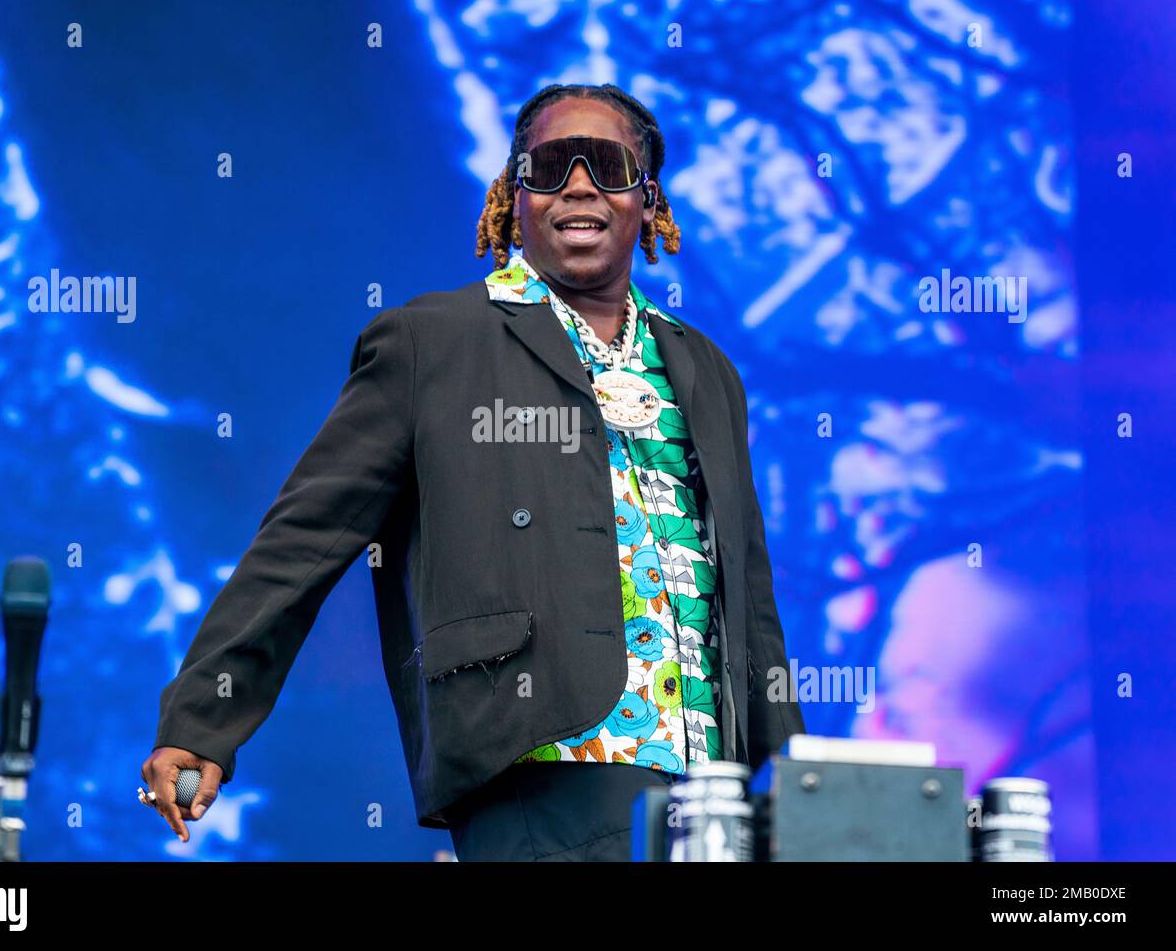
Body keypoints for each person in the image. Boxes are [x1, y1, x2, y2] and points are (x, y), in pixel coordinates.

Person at [141, 82, 805, 861]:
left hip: (711, 790)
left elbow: (749, 595)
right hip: (540, 753)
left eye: (610, 167)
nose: (581, 185)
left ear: (648, 202)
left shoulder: (703, 367)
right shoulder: (434, 342)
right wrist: (201, 720)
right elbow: (303, 541)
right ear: (512, 195)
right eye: (552, 166)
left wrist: (793, 783)